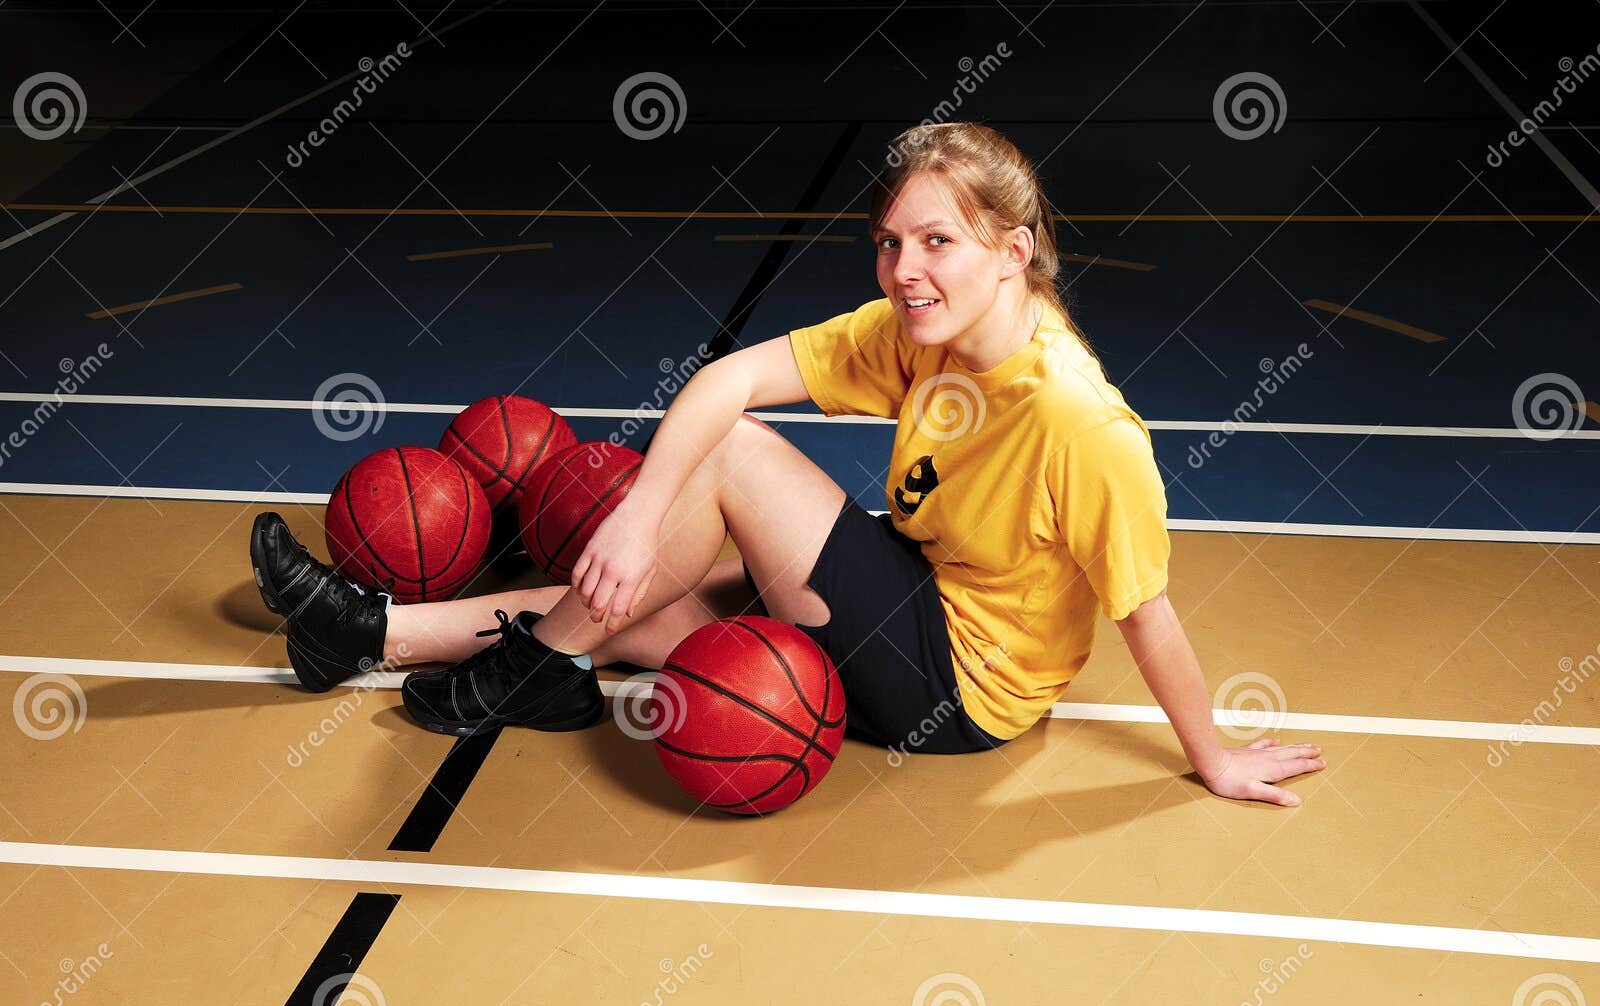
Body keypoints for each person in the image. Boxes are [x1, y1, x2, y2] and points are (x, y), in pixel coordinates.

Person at [250, 122, 1323, 807]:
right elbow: (724, 377)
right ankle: (371, 631)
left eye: (937, 242)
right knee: (657, 601)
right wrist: (636, 521)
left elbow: (1146, 612)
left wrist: (1214, 757)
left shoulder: (1078, 423)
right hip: (912, 594)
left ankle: (517, 677)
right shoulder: (921, 330)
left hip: (961, 685)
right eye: (891, 242)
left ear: (1014, 248)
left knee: (732, 467)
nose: (905, 270)